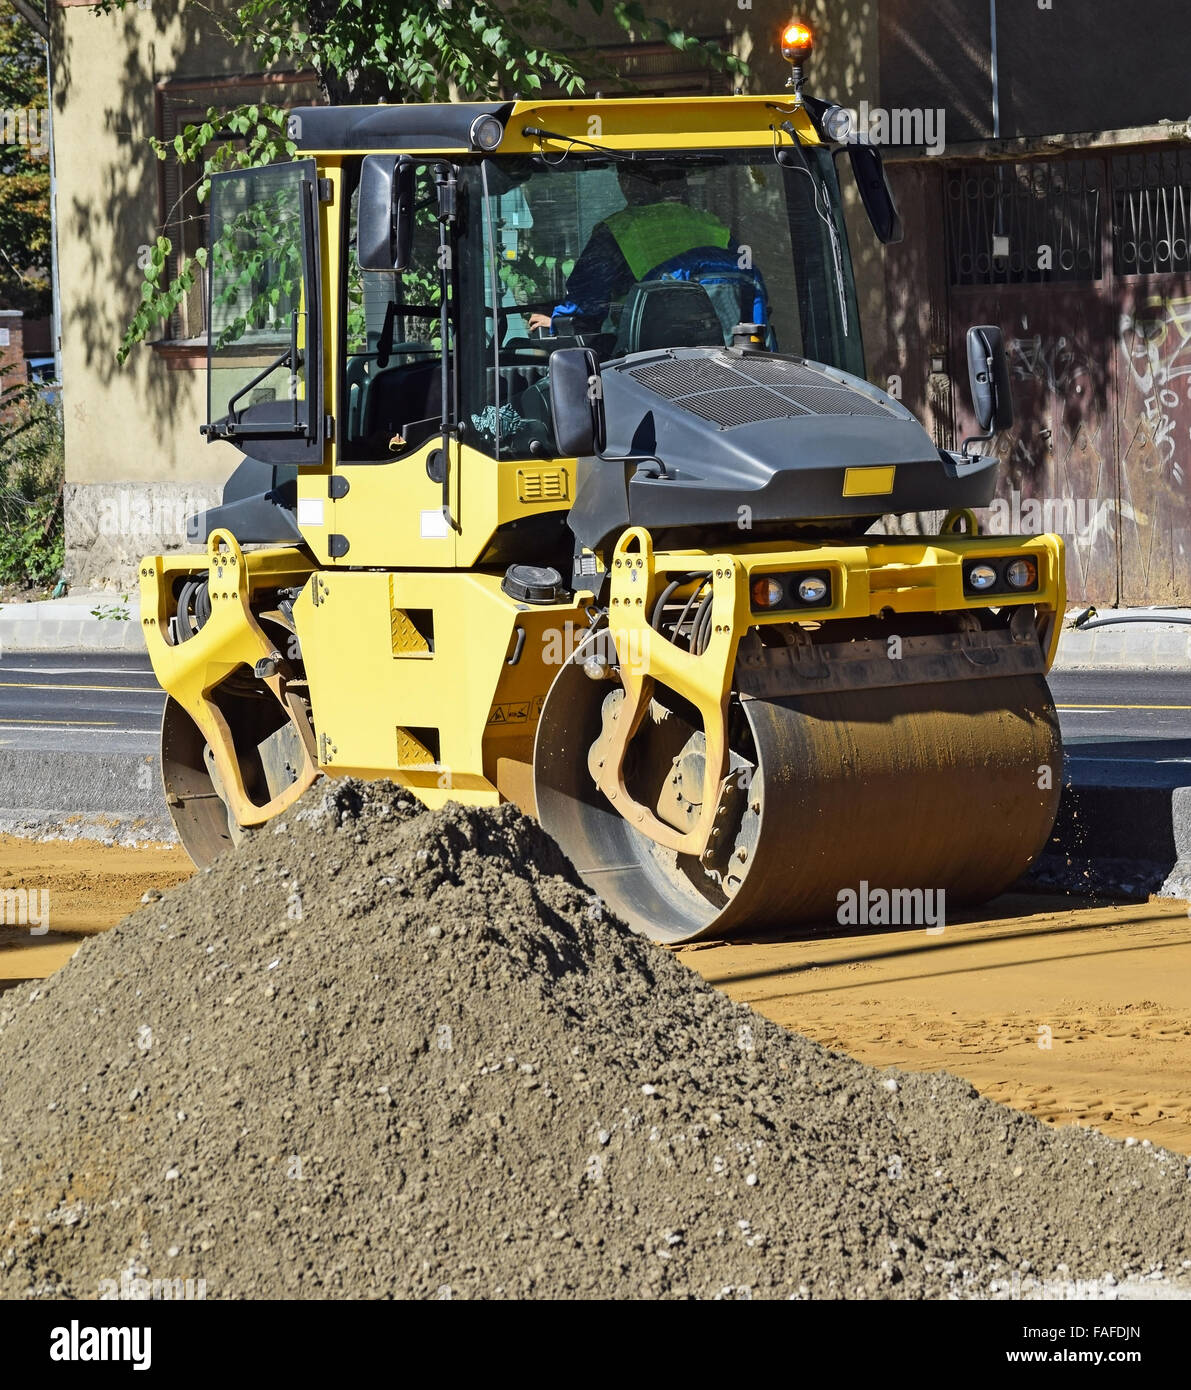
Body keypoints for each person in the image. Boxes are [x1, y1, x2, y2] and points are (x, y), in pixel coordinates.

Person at [527, 164, 764, 339]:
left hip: (644, 361)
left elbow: (586, 303)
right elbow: (746, 289)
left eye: (624, 178)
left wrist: (558, 322)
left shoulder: (617, 232)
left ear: (627, 183)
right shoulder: (713, 226)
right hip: (722, 352)